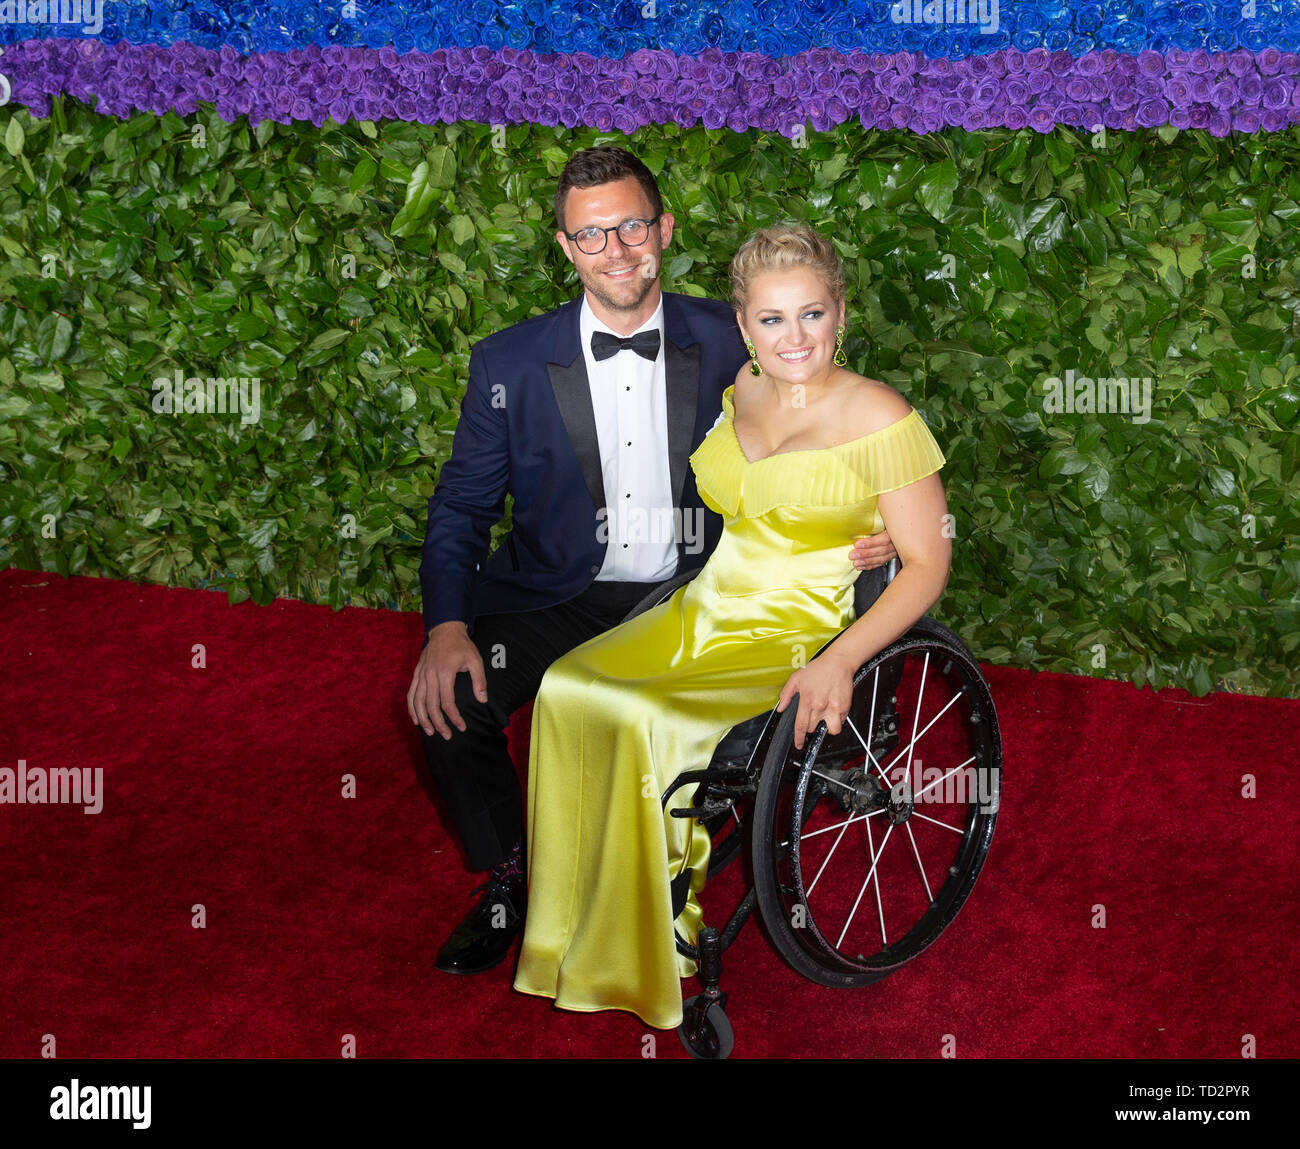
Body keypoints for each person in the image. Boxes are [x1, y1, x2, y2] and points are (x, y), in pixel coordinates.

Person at [407, 148, 895, 976]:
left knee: (624, 707)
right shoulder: (508, 363)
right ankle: (513, 877)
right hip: (554, 591)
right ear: (565, 248)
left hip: (694, 590)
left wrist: (868, 516)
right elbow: (463, 506)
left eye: (634, 225)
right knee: (450, 697)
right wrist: (448, 624)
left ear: (664, 229)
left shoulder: (734, 333)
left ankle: (643, 878)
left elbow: (829, 413)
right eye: (592, 234)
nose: (618, 248)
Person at [513, 225, 951, 1030]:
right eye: (773, 320)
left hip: (798, 628)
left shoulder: (881, 415)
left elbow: (928, 564)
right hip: (706, 606)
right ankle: (575, 929)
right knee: (567, 685)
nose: (795, 338)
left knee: (650, 717)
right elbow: (742, 502)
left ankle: (653, 940)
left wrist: (842, 657)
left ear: (841, 314)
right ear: (744, 327)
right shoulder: (742, 391)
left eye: (812, 315)